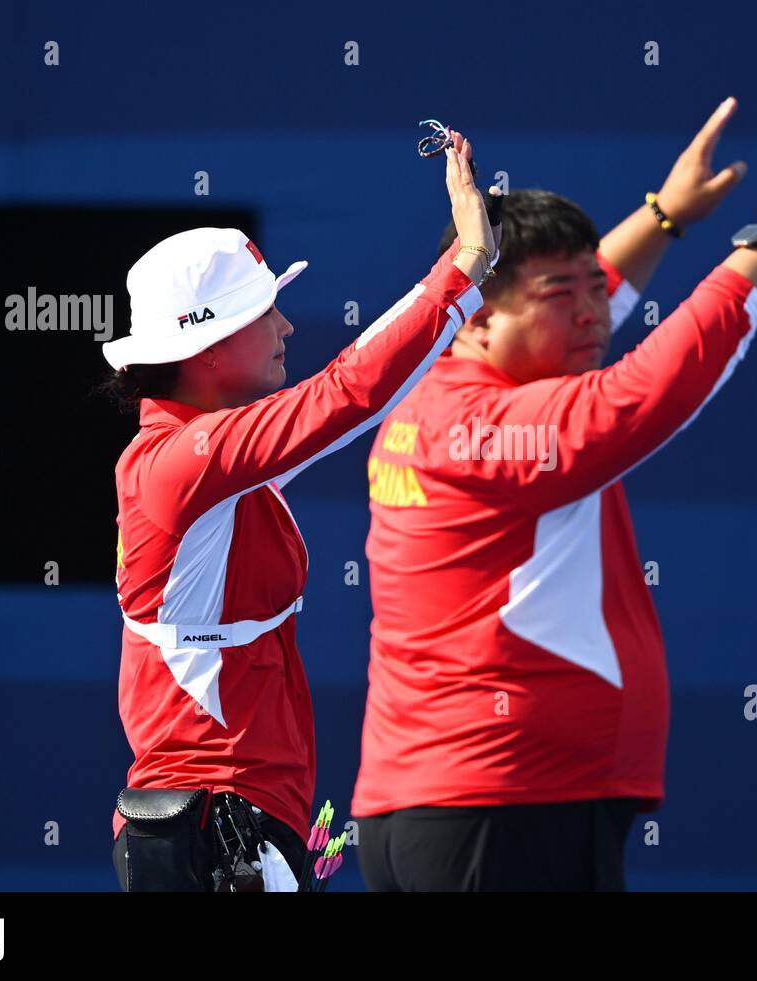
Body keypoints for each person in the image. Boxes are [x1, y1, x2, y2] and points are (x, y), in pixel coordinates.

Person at [353, 99, 757, 891]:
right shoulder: (489, 428)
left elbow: (577, 303)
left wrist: (663, 216)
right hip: (501, 814)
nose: (592, 313)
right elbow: (646, 390)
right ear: (476, 314)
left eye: (591, 288)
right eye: (561, 295)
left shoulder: (441, 382)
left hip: (465, 810)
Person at [102, 131, 500, 890]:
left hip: (241, 826)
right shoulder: (186, 463)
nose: (286, 327)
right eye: (267, 314)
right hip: (218, 833)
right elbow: (345, 394)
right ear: (209, 346)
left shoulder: (206, 454)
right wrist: (466, 266)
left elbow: (344, 398)